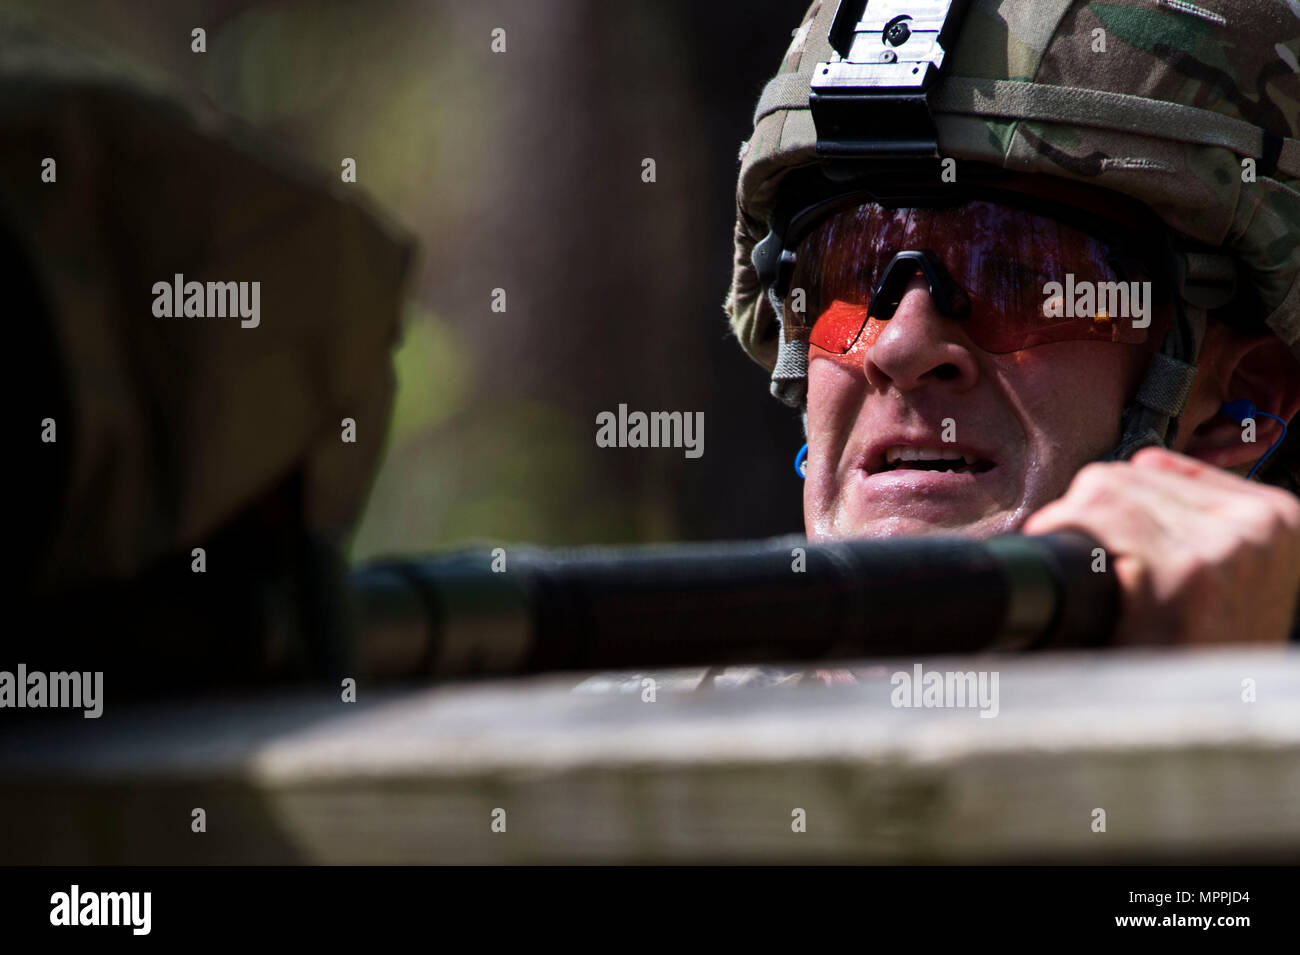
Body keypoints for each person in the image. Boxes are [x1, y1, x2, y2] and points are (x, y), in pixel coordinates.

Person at [725, 0, 1300, 645]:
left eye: (1023, 282)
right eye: (847, 279)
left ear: (1236, 409)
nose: (901, 345)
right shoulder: (644, 729)